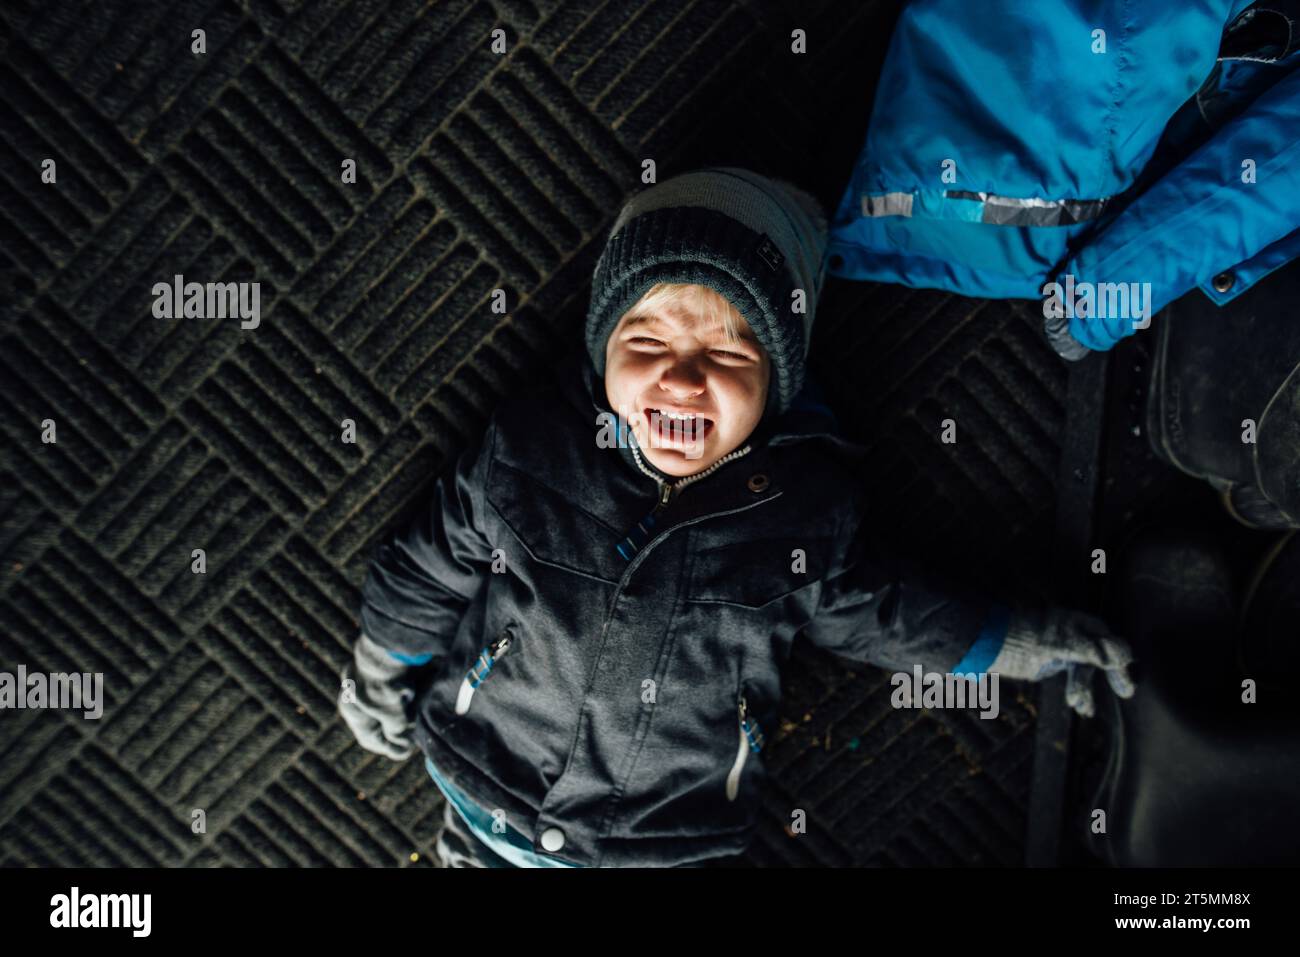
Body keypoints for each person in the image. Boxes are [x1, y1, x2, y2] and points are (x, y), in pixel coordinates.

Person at [338, 167, 1136, 868]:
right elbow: (428, 561)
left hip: (658, 839)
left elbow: (890, 614)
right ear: (600, 349)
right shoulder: (529, 452)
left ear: (778, 381)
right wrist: (384, 664)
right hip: (487, 784)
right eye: (646, 338)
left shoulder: (801, 518)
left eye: (726, 355)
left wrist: (1023, 646)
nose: (682, 378)